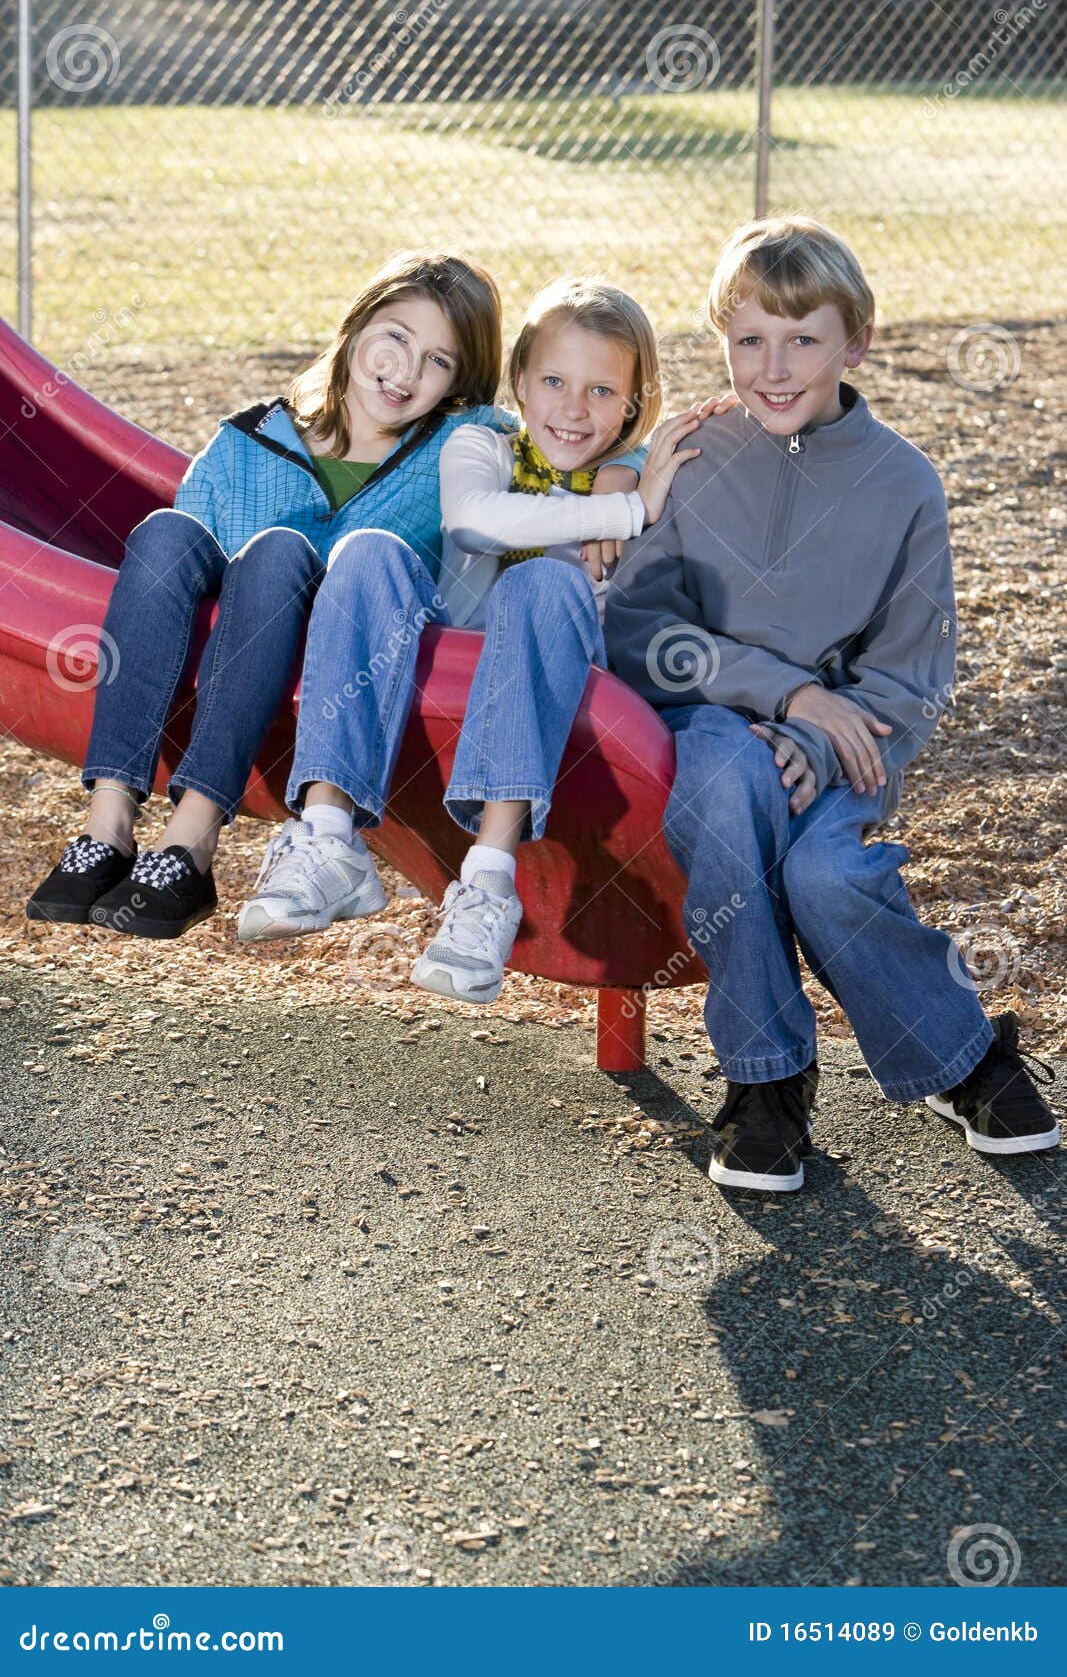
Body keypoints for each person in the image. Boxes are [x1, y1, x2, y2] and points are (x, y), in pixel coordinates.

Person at [604, 215, 1060, 1191]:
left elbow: (908, 674)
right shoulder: (687, 455)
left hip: (843, 755)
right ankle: (766, 1080)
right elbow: (639, 633)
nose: (771, 367)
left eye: (801, 338)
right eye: (747, 339)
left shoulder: (902, 484)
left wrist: (820, 728)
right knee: (724, 784)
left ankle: (962, 1055)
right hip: (706, 729)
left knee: (822, 879)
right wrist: (784, 691)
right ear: (718, 337)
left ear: (854, 342)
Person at [238, 277, 753, 1005]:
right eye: (552, 381)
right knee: (368, 552)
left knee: (540, 582)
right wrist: (619, 512)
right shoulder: (482, 444)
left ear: (635, 404)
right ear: (517, 381)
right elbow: (474, 522)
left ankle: (486, 884)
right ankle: (326, 834)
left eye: (602, 392)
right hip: (434, 678)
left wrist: (628, 493)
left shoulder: (633, 473)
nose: (573, 410)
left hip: (558, 706)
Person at [26, 251, 504, 937]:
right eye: (395, 337)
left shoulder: (459, 448)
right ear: (356, 326)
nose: (405, 371)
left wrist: (616, 487)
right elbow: (189, 563)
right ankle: (109, 822)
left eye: (439, 361)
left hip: (345, 659)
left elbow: (556, 442)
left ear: (460, 384)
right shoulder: (249, 441)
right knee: (164, 531)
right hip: (233, 645)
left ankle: (191, 840)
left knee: (280, 548)